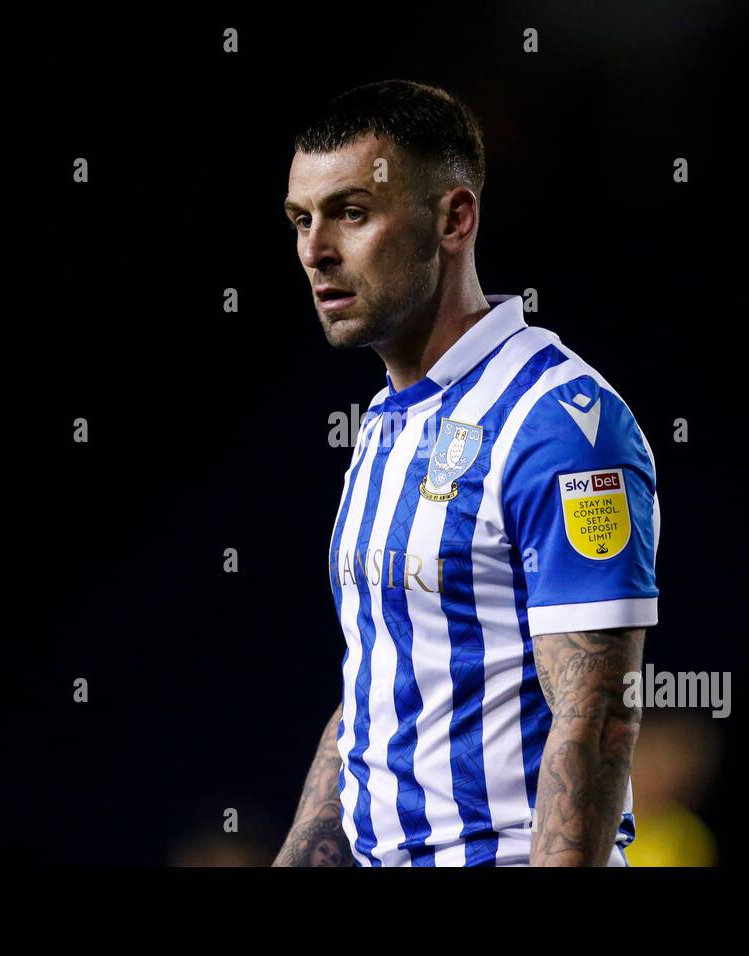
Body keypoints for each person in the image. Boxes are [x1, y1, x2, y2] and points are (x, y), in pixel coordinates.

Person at [274, 80, 660, 867]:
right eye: (301, 220)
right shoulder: (386, 426)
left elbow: (597, 714)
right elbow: (380, 692)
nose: (316, 249)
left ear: (454, 219)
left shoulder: (560, 423)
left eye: (351, 212)